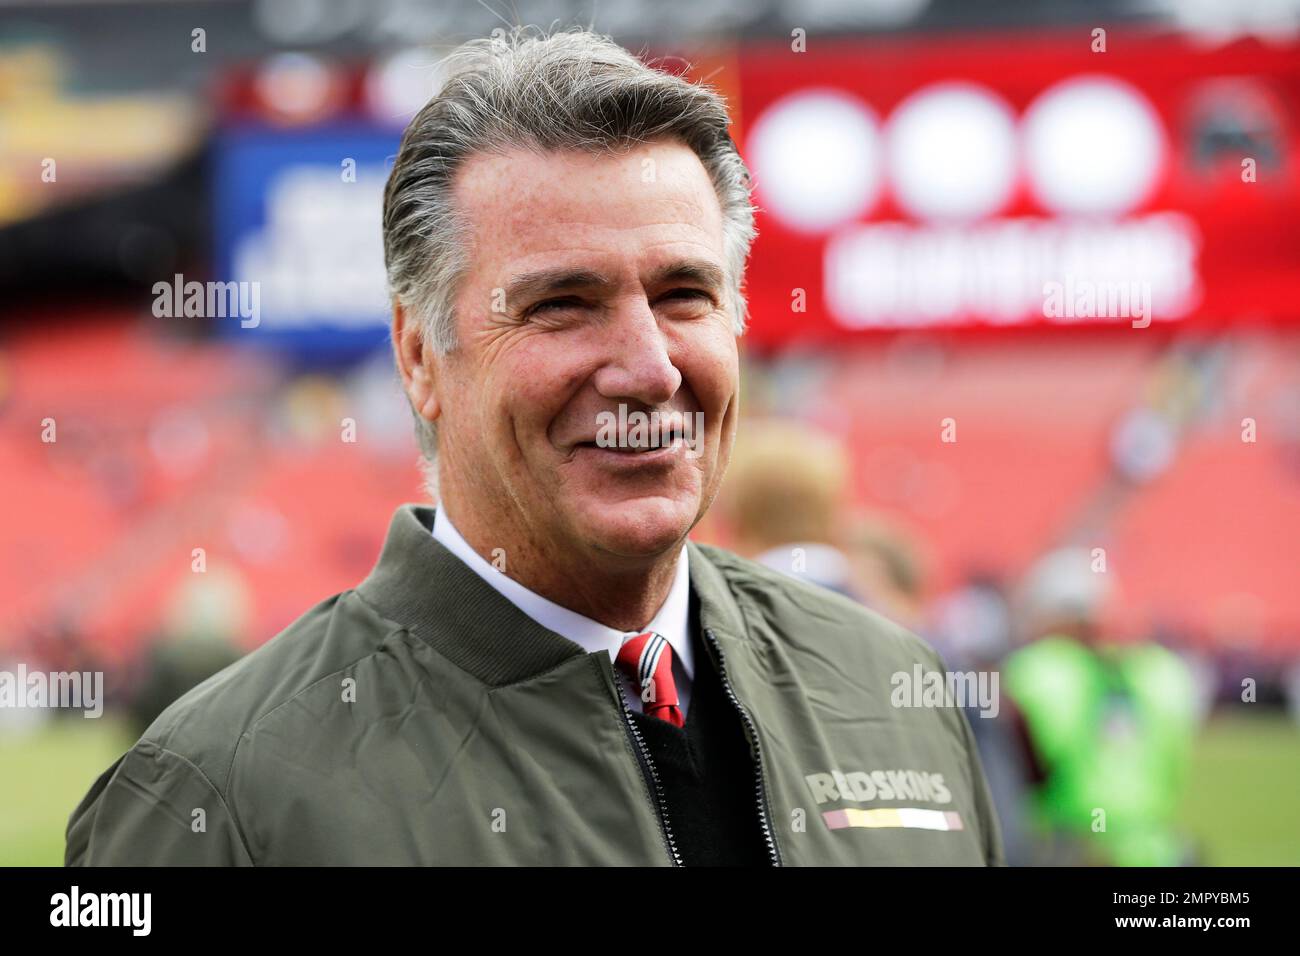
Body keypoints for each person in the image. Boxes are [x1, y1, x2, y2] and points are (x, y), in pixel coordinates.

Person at [66, 26, 1003, 866]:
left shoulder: (896, 690)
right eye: (562, 304)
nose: (648, 366)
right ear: (420, 353)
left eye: (685, 294)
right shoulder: (217, 796)